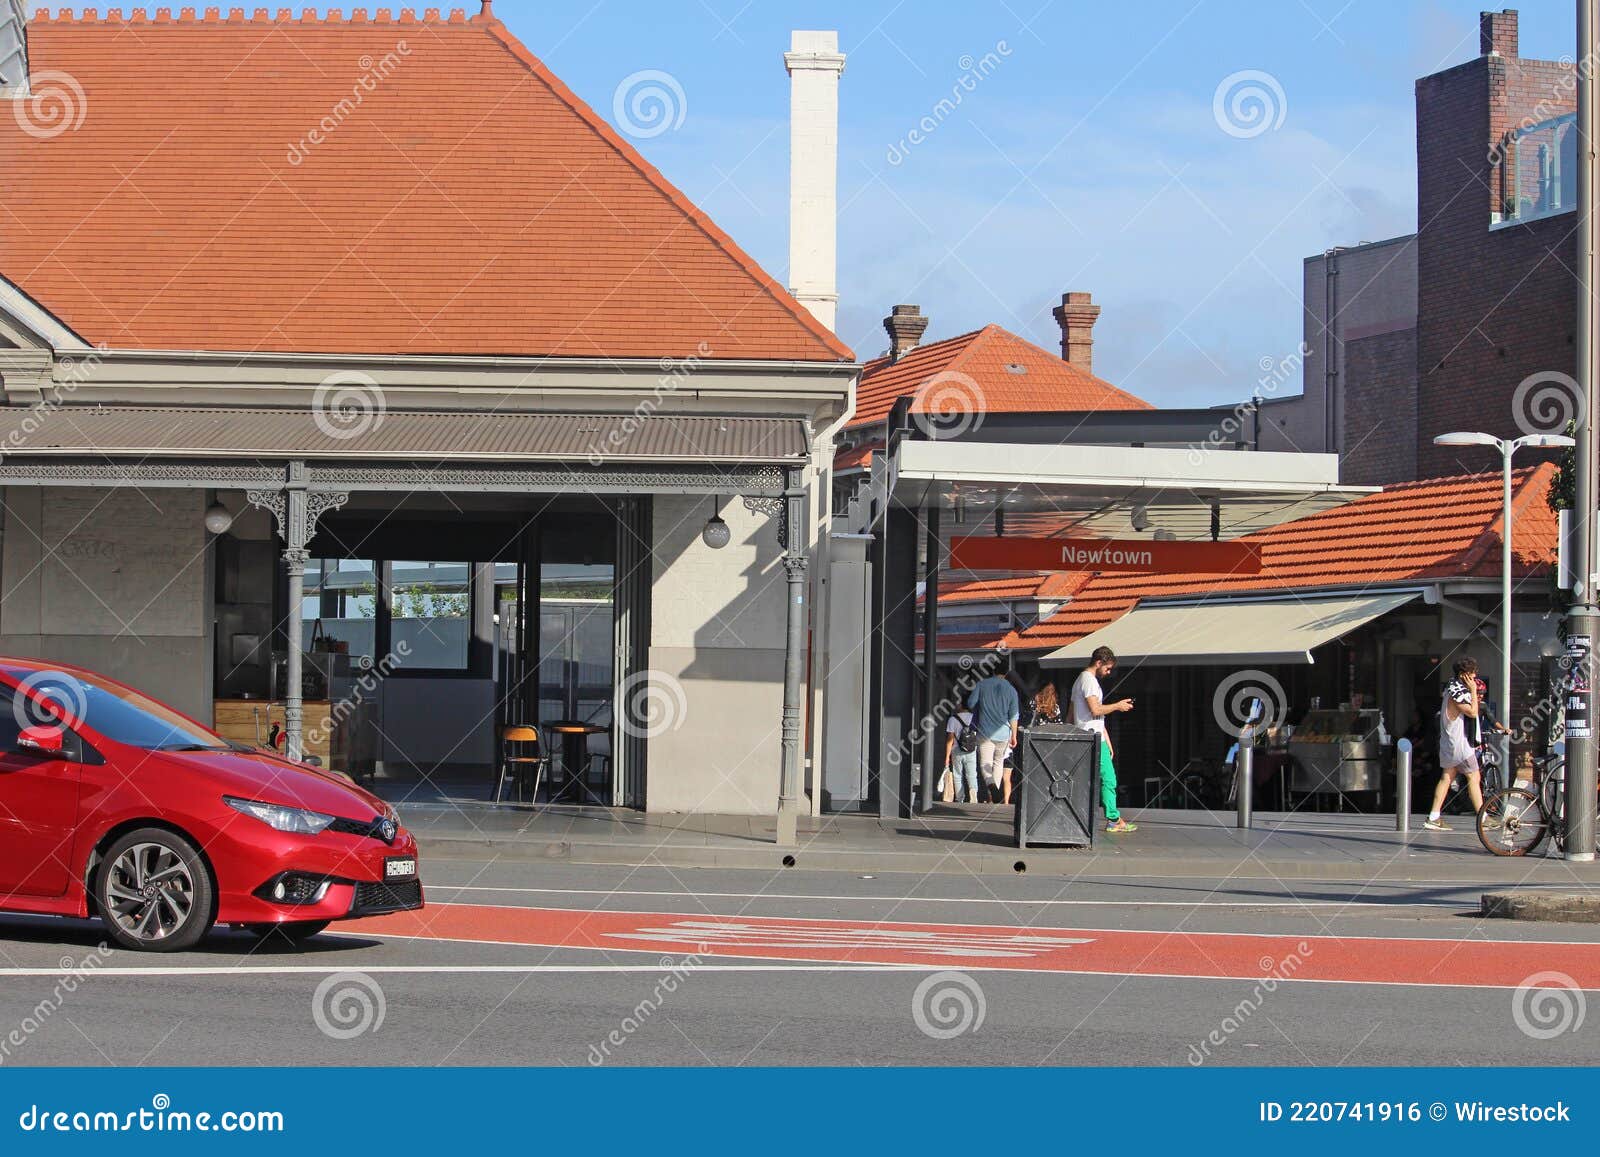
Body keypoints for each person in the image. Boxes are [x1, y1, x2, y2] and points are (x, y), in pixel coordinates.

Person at [1071, 645, 1137, 833]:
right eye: (1107, 668)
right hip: (1092, 737)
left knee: (1089, 779)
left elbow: (1073, 713)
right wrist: (1118, 706)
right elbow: (1095, 710)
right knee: (1109, 779)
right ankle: (1113, 819)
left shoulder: (1080, 680)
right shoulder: (1089, 681)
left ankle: (1106, 817)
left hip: (1089, 735)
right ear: (1099, 663)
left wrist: (1106, 738)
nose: (1108, 672)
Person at [1426, 657, 1487, 831]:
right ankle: (1483, 818)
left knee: (1446, 778)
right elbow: (1473, 712)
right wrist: (1474, 690)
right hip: (1460, 745)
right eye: (1472, 673)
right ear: (1463, 675)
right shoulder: (1457, 693)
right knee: (1474, 777)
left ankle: (1433, 817)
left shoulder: (1451, 688)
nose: (1474, 677)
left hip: (1450, 744)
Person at [966, 672, 1020, 805]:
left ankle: (992, 787)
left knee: (985, 763)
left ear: (993, 671)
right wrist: (1014, 735)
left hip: (985, 732)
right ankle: (993, 795)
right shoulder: (1011, 690)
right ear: (1006, 673)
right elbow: (1014, 716)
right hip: (1004, 733)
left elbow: (970, 703)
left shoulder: (982, 685)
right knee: (998, 763)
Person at [943, 702, 980, 804]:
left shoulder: (952, 719)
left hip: (956, 750)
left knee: (957, 775)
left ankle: (960, 798)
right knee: (972, 774)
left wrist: (947, 757)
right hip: (971, 750)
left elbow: (950, 739)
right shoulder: (974, 717)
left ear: (961, 705)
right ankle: (973, 794)